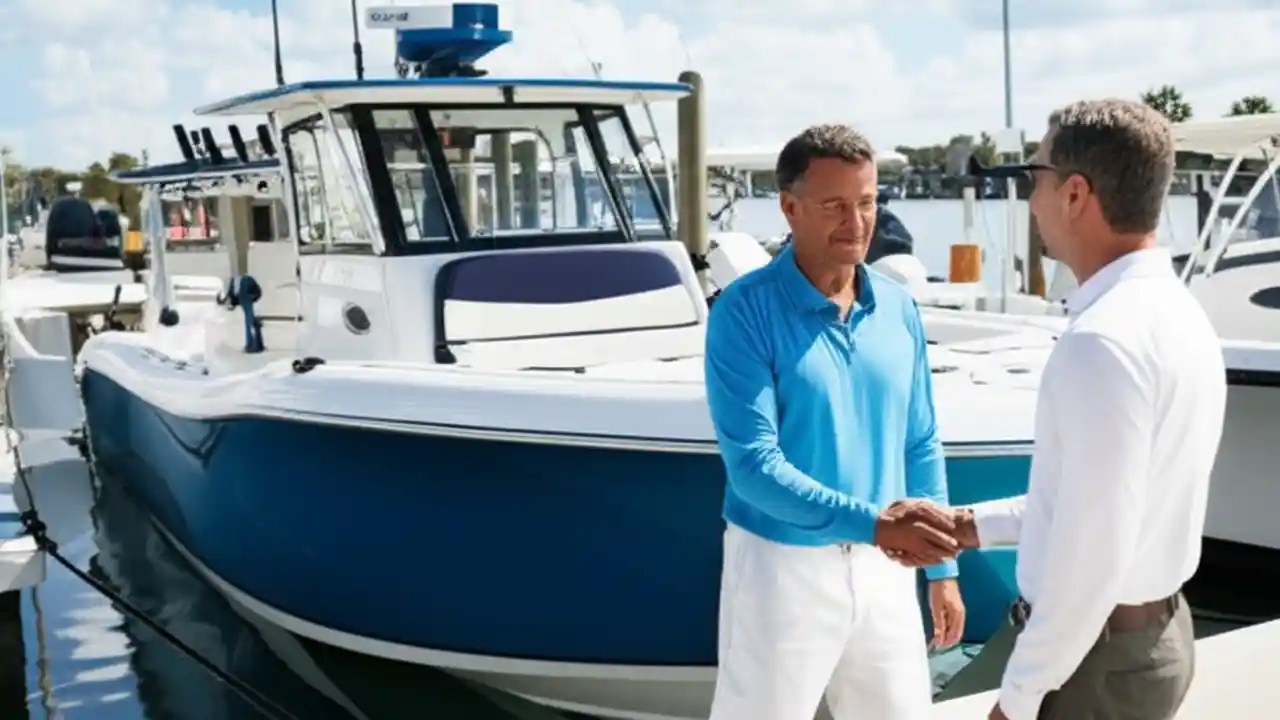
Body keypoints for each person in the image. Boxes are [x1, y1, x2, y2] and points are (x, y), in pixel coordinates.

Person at [950, 99, 1228, 720]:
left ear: (1075, 194)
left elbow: (1091, 557)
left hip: (1094, 666)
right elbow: (1103, 510)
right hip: (1147, 639)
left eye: (1035, 179)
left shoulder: (1102, 340)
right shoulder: (1176, 313)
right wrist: (973, 525)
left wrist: (1017, 700)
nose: (1031, 201)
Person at [703, 123, 965, 720]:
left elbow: (919, 442)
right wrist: (876, 524)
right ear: (790, 208)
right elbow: (753, 469)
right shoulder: (744, 313)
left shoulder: (897, 308)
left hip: (886, 566)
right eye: (835, 205)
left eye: (867, 202)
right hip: (779, 567)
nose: (857, 222)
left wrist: (943, 566)